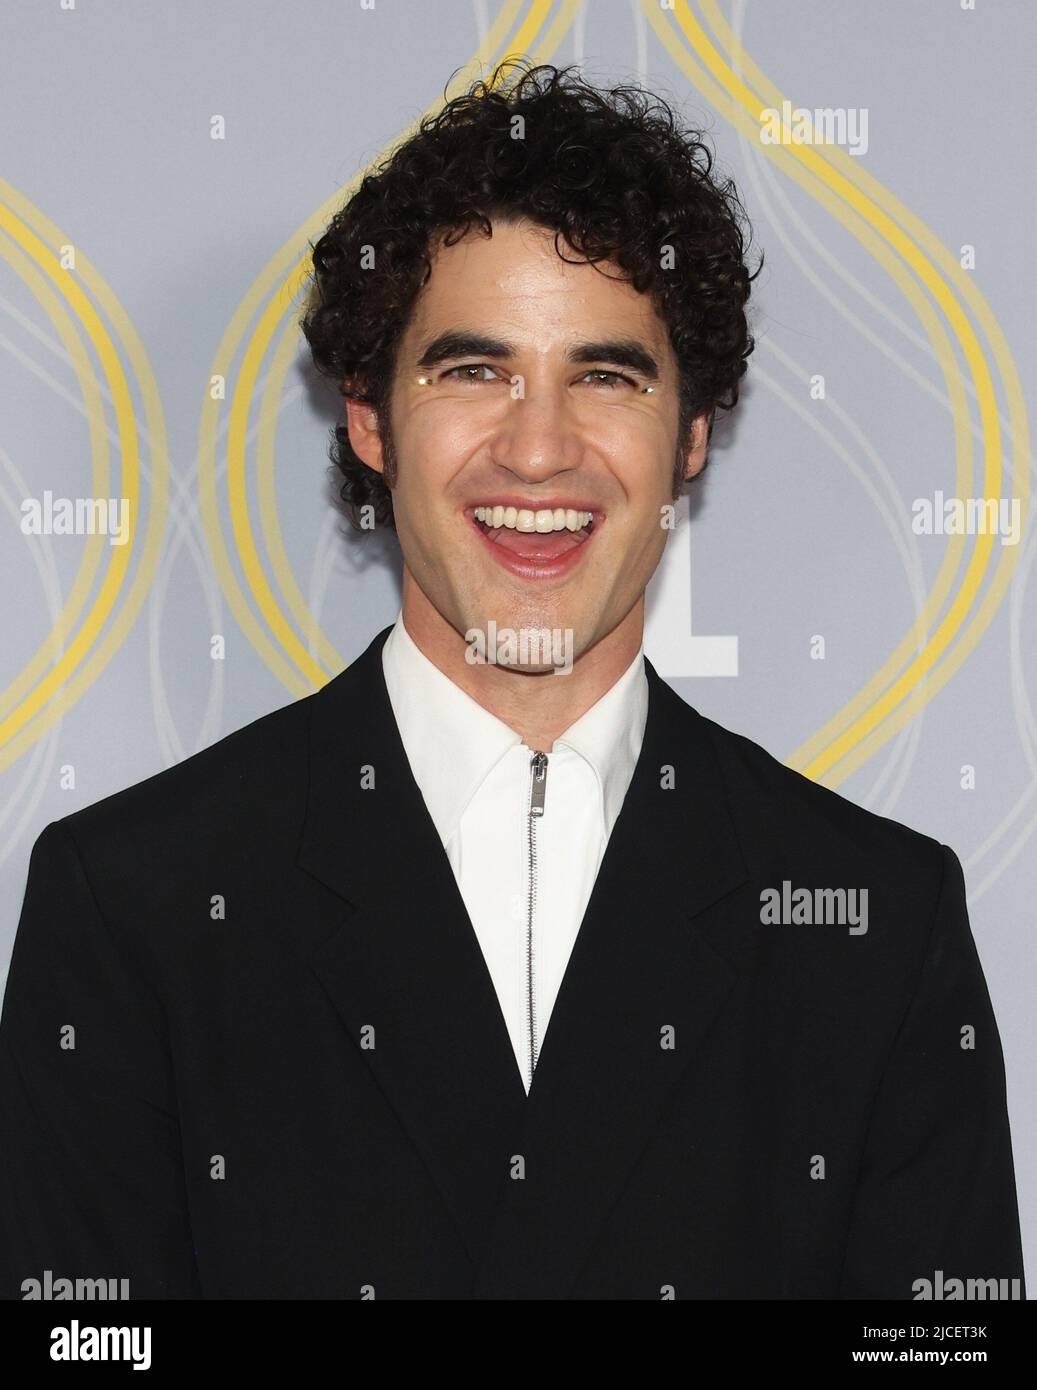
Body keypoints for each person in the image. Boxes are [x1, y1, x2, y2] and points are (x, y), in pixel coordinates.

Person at [0, 61, 1024, 1300]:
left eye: (605, 374)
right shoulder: (135, 905)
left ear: (691, 432)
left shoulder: (871, 920)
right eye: (472, 371)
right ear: (369, 418)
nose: (537, 448)